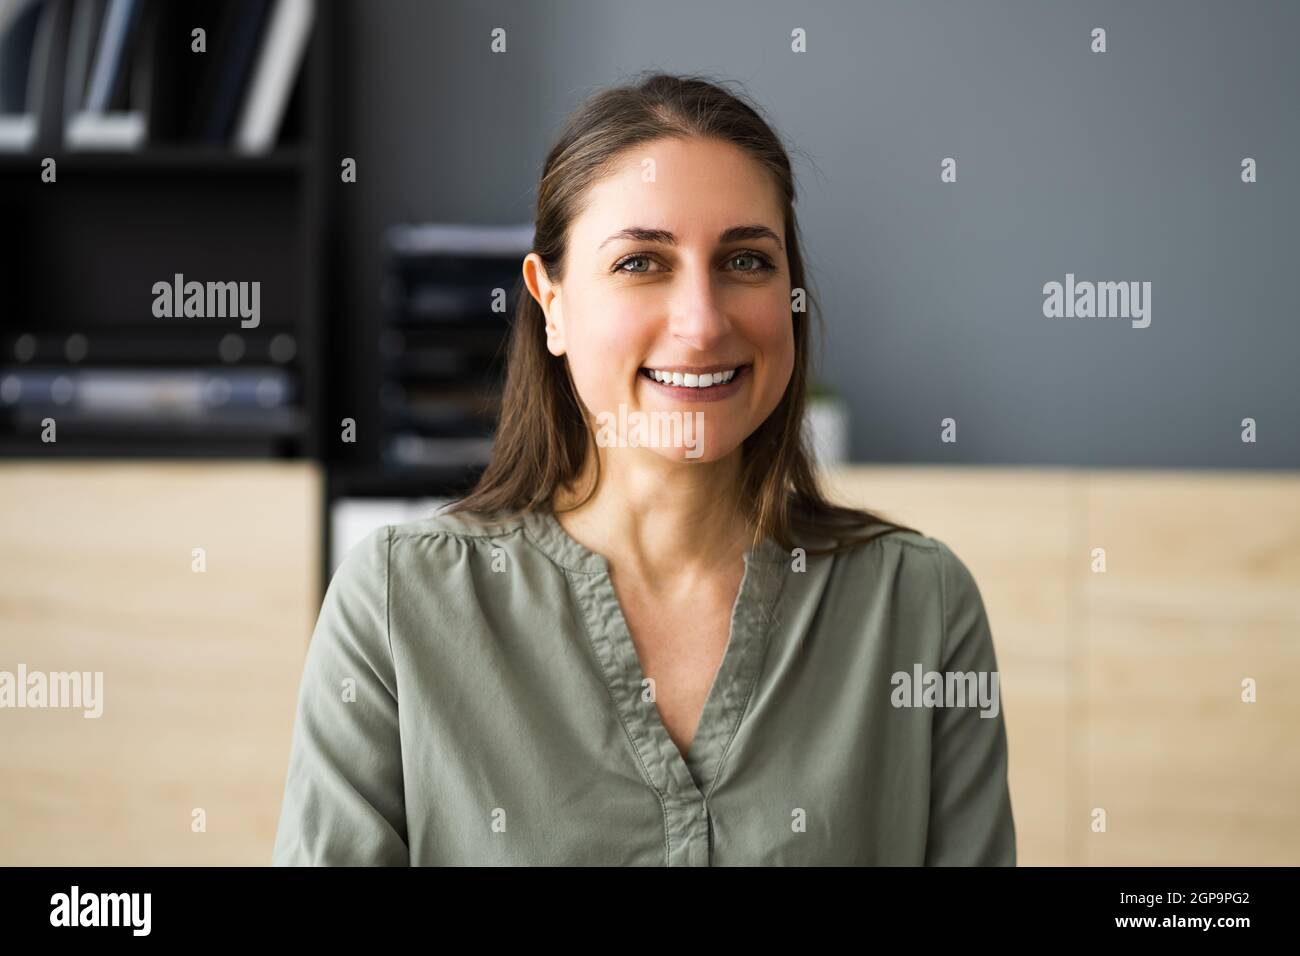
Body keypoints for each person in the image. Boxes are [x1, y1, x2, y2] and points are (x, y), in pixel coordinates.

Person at [272, 72, 1016, 866]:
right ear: (550, 302)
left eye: (746, 261)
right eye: (640, 264)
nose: (702, 322)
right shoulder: (396, 607)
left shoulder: (921, 607)